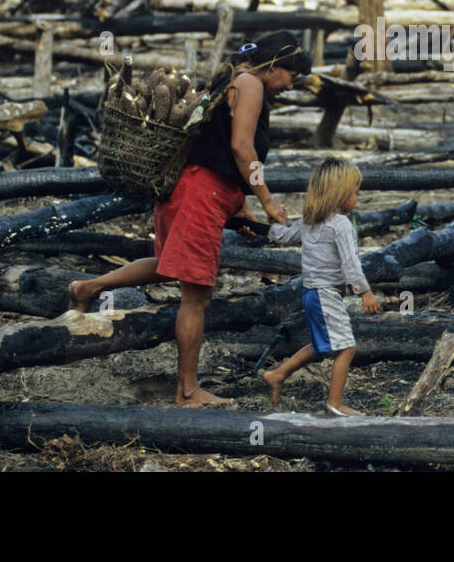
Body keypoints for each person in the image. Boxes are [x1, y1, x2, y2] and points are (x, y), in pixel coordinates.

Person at [69, 31, 311, 407]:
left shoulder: (231, 76)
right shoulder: (250, 83)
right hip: (201, 194)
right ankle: (188, 391)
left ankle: (88, 288)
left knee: (169, 266)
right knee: (196, 298)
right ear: (276, 64)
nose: (290, 84)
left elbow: (216, 149)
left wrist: (238, 205)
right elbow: (241, 147)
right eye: (291, 75)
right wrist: (265, 200)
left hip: (190, 189)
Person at [261, 157, 380, 416]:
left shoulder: (309, 221)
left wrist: (275, 222)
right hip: (325, 294)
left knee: (320, 346)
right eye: (354, 193)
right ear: (339, 194)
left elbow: (281, 237)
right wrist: (365, 292)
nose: (356, 199)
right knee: (346, 347)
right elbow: (351, 264)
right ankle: (334, 405)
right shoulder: (340, 225)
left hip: (311, 294)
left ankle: (277, 374)